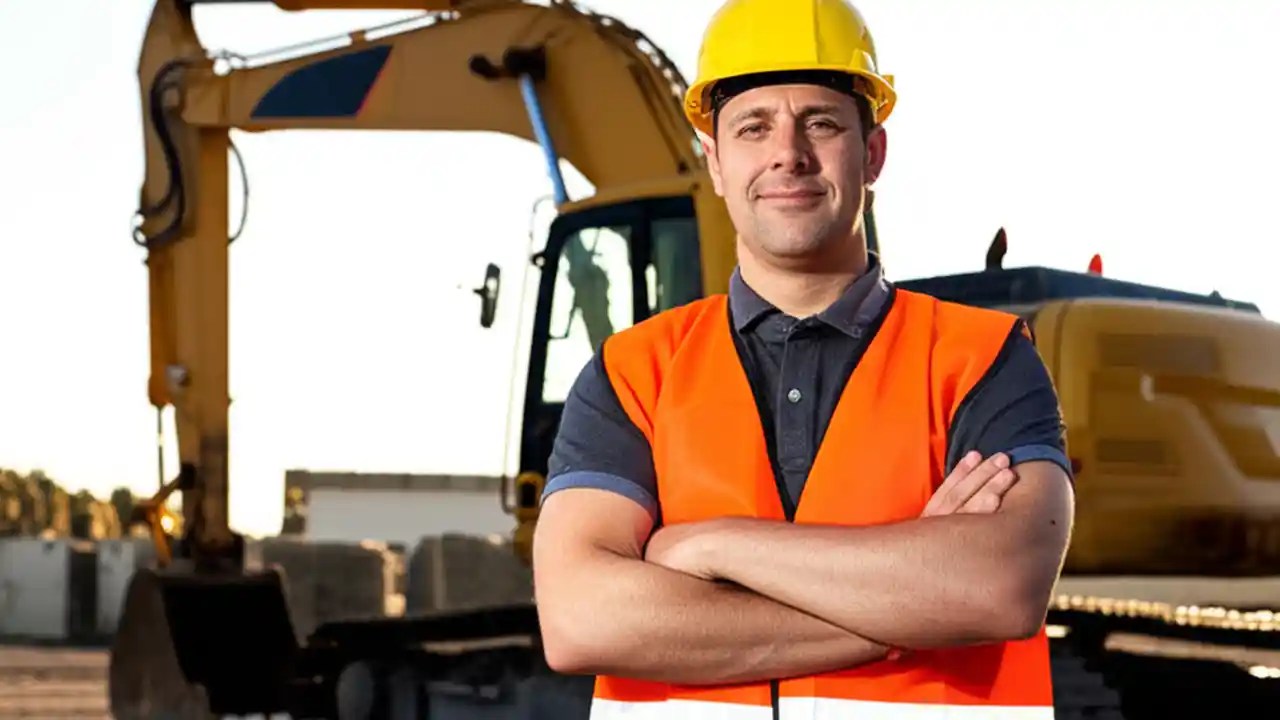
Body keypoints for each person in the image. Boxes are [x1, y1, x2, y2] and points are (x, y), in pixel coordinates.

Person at [531, 0, 1076, 717]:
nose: (788, 152)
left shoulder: (982, 360)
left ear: (872, 154)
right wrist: (909, 609)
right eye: (754, 127)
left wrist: (707, 546)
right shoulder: (633, 374)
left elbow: (1000, 587)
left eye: (819, 122)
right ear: (716, 163)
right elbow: (579, 620)